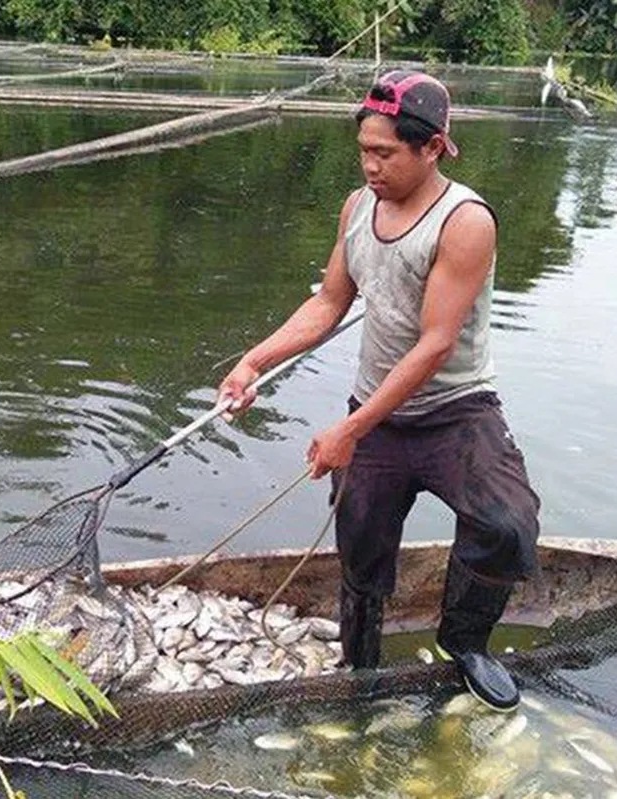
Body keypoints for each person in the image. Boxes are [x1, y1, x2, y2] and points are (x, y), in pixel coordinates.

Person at [218, 70, 540, 712]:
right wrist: (252, 361)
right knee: (361, 549)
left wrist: (349, 430)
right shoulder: (357, 206)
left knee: (507, 524)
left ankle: (466, 640)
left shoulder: (465, 221)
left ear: (432, 148)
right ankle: (359, 664)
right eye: (364, 150)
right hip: (375, 411)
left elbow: (435, 345)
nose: (371, 166)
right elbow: (331, 303)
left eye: (386, 153)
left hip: (456, 410)